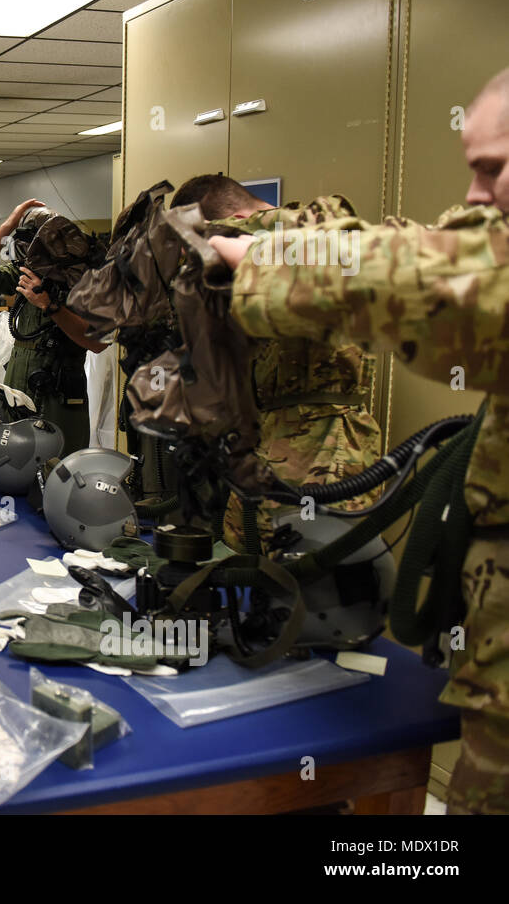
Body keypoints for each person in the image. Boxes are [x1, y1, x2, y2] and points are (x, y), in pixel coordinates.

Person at [208, 67, 509, 814]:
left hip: (320, 458)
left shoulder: (319, 243)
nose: (473, 195)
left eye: (492, 168)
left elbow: (444, 280)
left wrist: (267, 259)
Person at [168, 175, 382, 552]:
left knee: (316, 582)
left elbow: (336, 227)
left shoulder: (307, 235)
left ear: (236, 219)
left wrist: (232, 236)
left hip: (325, 454)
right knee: (252, 572)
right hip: (270, 445)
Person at [0, 198, 108, 455]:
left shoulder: (83, 278)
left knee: (58, 464)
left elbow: (97, 342)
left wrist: (49, 305)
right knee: (13, 460)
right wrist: (5, 227)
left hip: (59, 390)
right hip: (19, 381)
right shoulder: (29, 272)